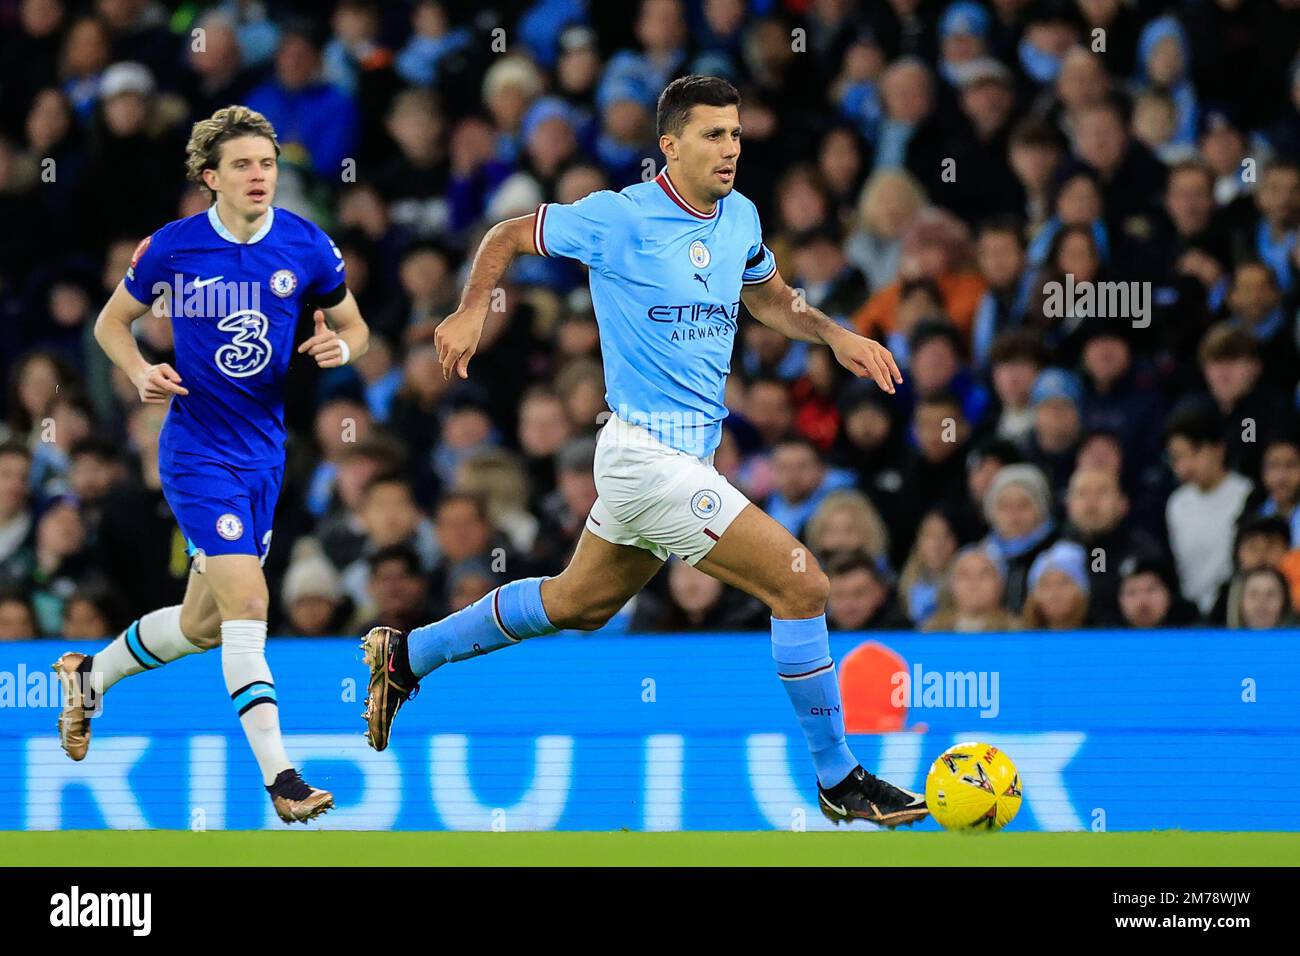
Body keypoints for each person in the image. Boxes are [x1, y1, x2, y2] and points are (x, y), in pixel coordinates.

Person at [361, 76, 927, 827]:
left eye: (735, 134)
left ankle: (409, 655)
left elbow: (769, 295)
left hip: (684, 462)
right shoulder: (617, 217)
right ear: (670, 144)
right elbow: (505, 236)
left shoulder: (740, 217)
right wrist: (470, 310)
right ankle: (838, 775)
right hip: (644, 457)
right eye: (712, 135)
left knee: (578, 603)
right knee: (804, 586)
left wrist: (835, 333)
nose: (730, 148)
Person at [54, 105, 371, 824]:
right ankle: (281, 777)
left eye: (267, 163)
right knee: (250, 604)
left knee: (203, 625)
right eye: (243, 165)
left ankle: (88, 676)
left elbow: (355, 324)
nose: (260, 175)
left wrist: (342, 349)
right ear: (211, 178)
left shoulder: (308, 245)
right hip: (197, 451)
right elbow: (110, 323)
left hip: (264, 455)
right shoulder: (171, 249)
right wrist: (137, 371)